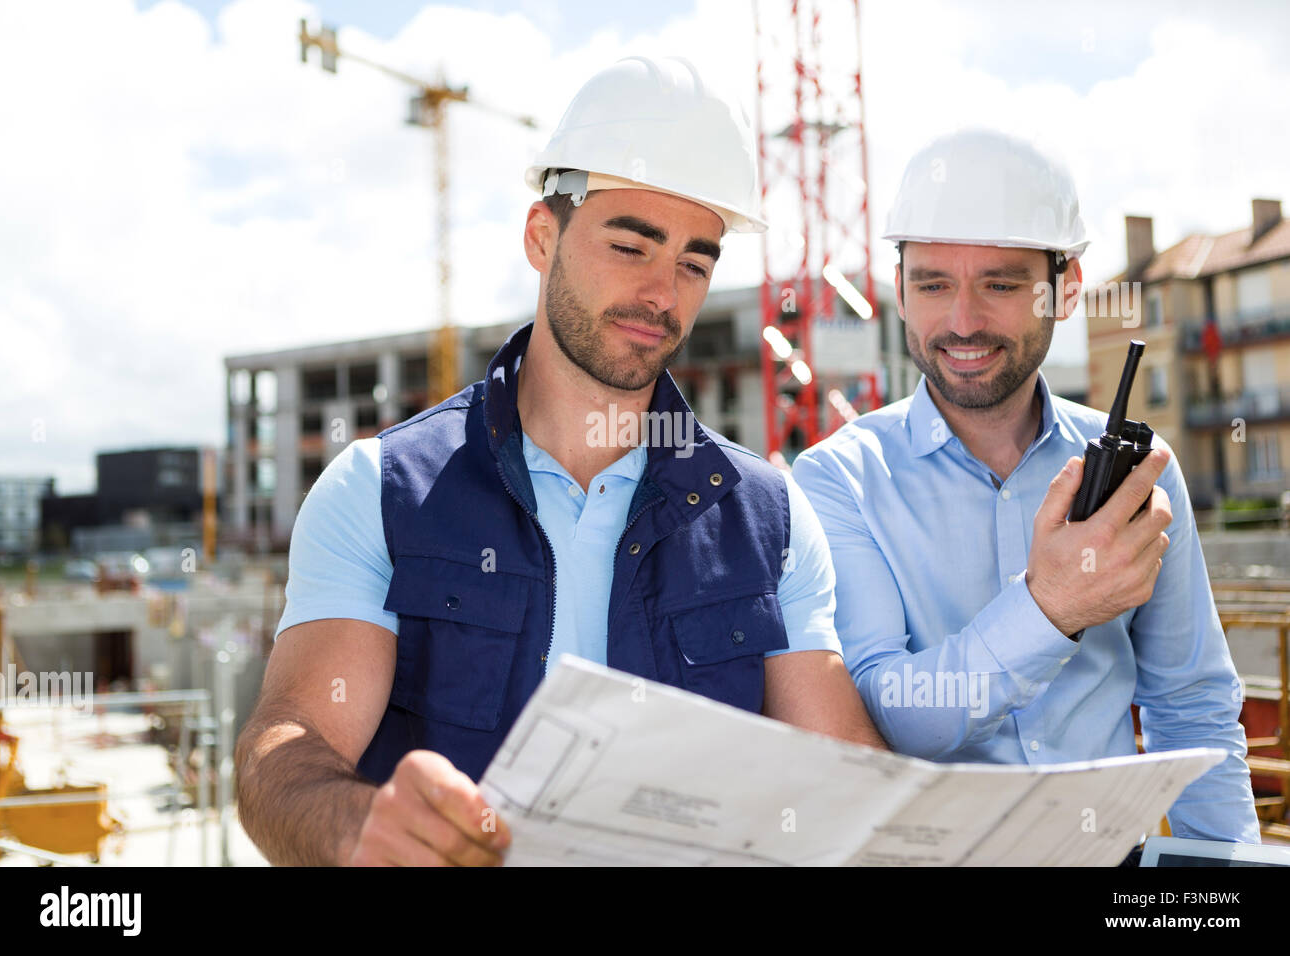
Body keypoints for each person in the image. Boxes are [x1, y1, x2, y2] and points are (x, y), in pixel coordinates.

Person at [236, 56, 885, 868]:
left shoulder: (769, 520)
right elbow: (287, 746)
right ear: (543, 237)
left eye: (695, 261)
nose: (662, 293)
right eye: (630, 245)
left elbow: (851, 787)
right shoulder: (382, 492)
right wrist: (357, 825)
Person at [792, 128, 1260, 844]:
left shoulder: (1142, 470)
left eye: (1002, 284)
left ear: (1065, 289)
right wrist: (1051, 608)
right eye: (933, 284)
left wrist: (1220, 891)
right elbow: (890, 713)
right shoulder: (837, 481)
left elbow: (1192, 706)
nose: (963, 321)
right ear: (900, 291)